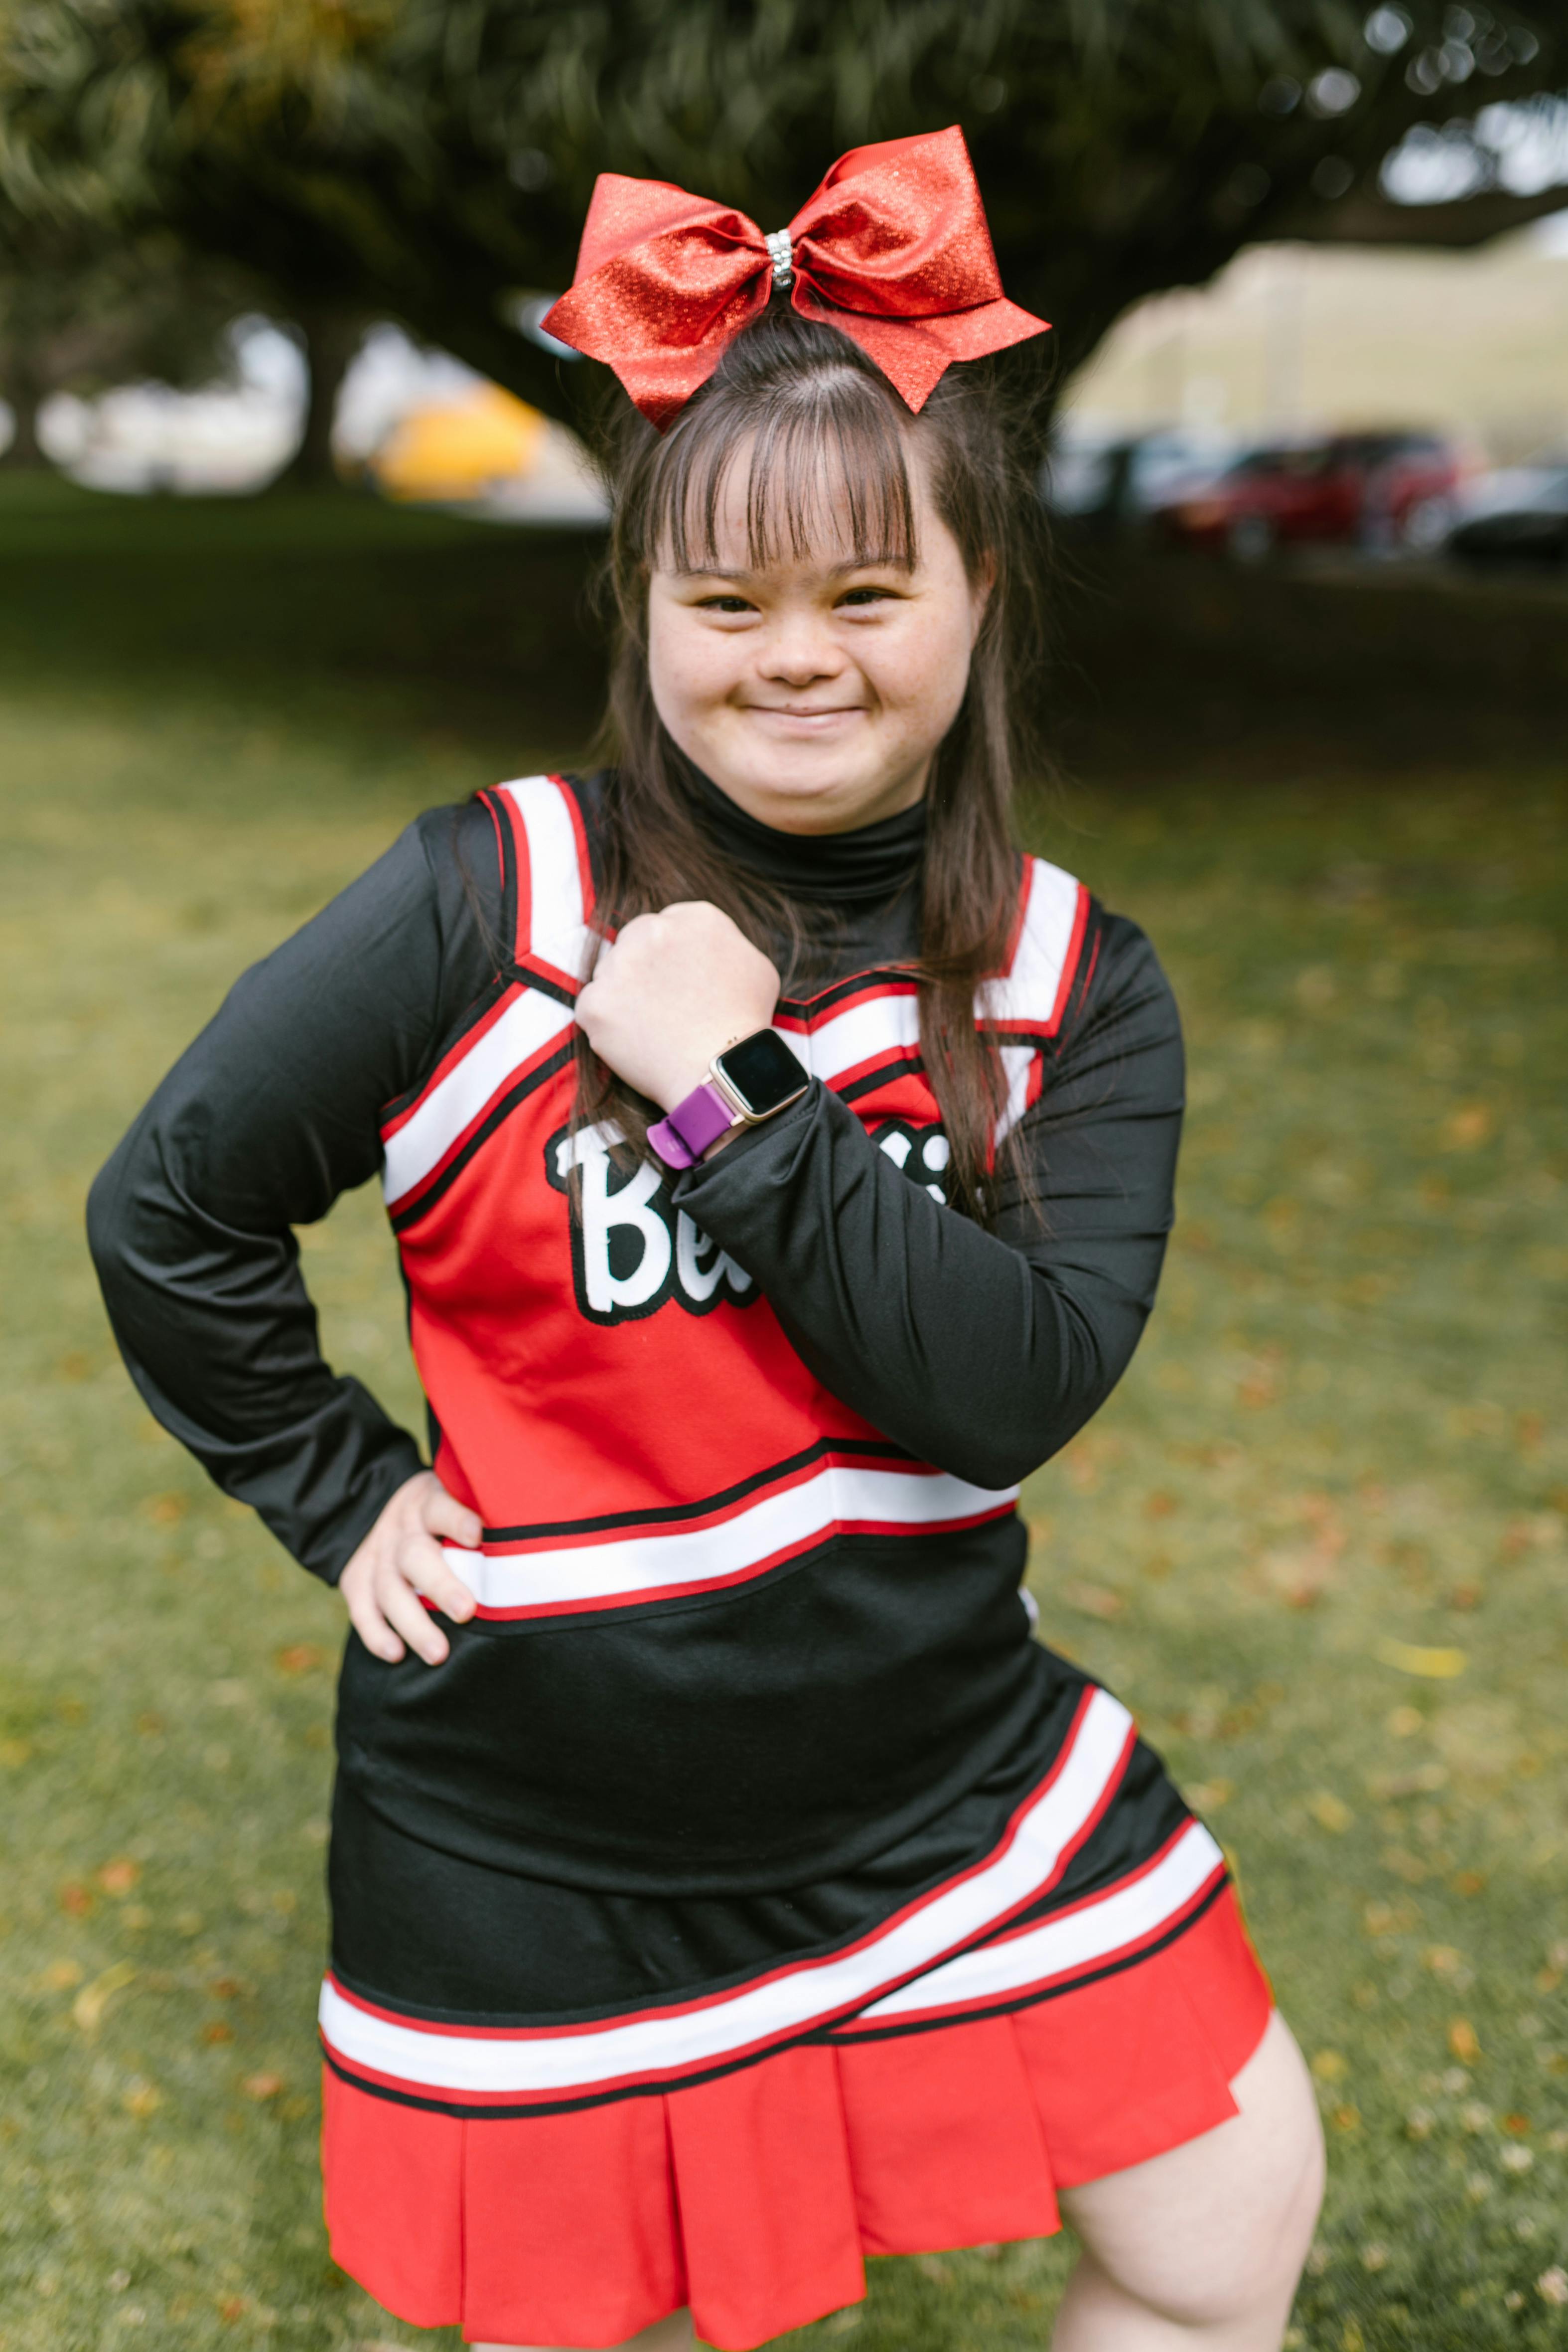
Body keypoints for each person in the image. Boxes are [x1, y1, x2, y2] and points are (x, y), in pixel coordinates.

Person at [88, 130, 1323, 2352]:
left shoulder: (1070, 978)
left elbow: (1008, 1378)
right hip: (538, 1842)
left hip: (945, 1774)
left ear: (976, 601)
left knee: (1224, 2221)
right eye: (725, 604)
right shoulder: (489, 896)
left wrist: (733, 1094)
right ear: (642, 609)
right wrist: (334, 1477)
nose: (795, 661)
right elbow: (169, 1204)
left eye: (867, 598)